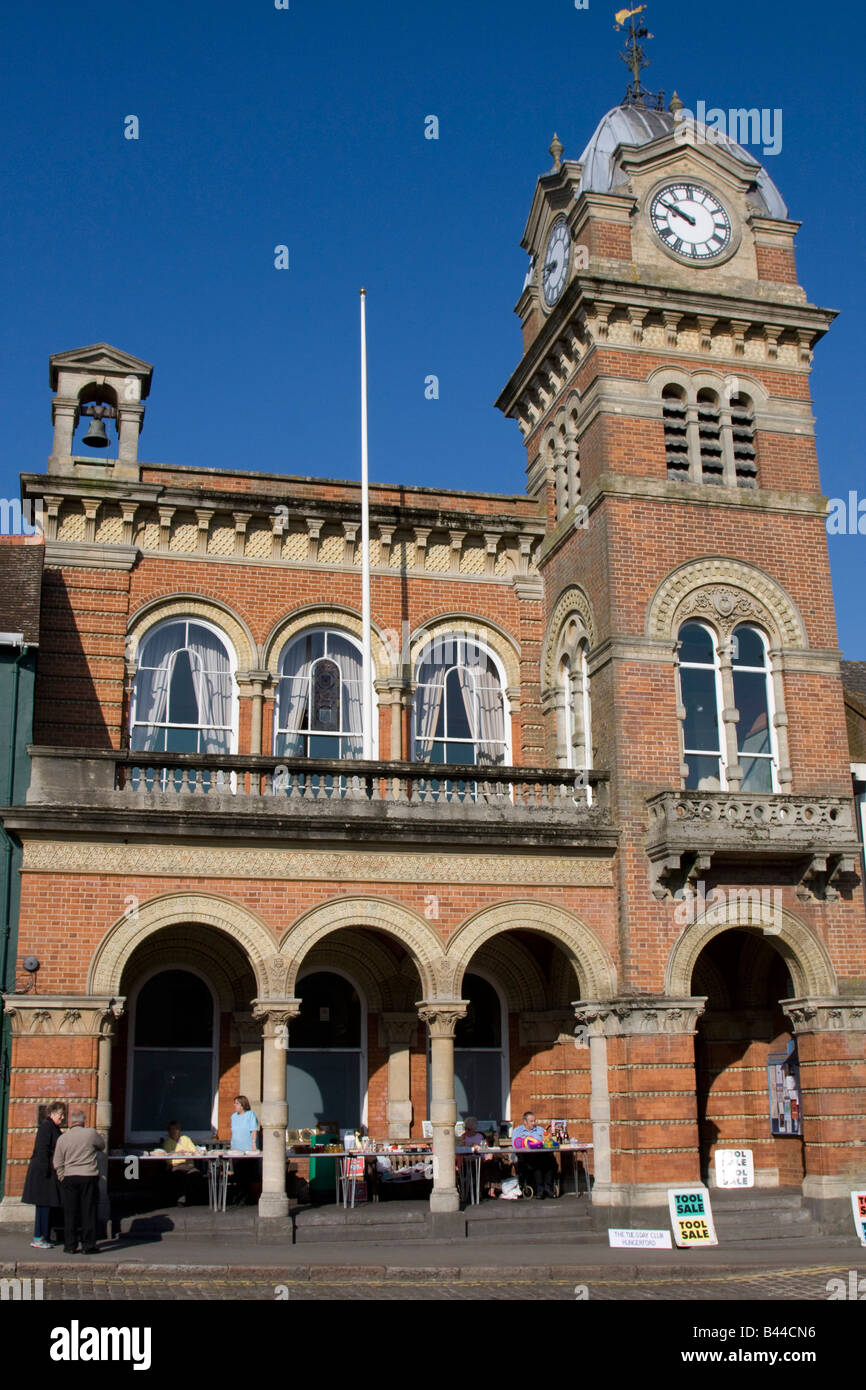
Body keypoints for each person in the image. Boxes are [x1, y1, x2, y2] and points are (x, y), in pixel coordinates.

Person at [53, 1108, 105, 1253]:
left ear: (71, 1121)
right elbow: (102, 1146)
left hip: (69, 1177)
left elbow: (57, 1161)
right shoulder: (90, 1133)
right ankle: (88, 1246)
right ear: (83, 1121)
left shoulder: (63, 1138)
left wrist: (62, 1176)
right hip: (88, 1176)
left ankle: (70, 1245)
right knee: (88, 1212)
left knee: (70, 1212)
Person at [22, 1103, 65, 1248]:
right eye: (60, 1114)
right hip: (43, 1174)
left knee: (45, 1206)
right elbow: (42, 1150)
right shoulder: (47, 1127)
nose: (63, 1117)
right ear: (52, 1114)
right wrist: (46, 1172)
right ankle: (39, 1238)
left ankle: (43, 1236)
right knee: (43, 1206)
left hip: (45, 1172)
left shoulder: (51, 1127)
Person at [512, 1111, 557, 1199]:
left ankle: (548, 1188)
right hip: (526, 1156)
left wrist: (549, 1140)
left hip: (542, 1155)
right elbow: (515, 1145)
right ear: (525, 1121)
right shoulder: (517, 1131)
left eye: (534, 1121)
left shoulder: (540, 1129)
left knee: (551, 1161)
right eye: (531, 1121)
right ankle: (540, 1190)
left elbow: (549, 1139)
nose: (534, 1123)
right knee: (537, 1162)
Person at [162, 1120, 204, 1206]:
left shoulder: (186, 1139)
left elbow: (194, 1151)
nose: (174, 1131)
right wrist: (179, 1155)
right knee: (179, 1175)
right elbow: (168, 1159)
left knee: (196, 1174)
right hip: (176, 1166)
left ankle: (196, 1199)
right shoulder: (167, 1143)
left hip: (189, 1165)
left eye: (176, 1129)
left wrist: (186, 1152)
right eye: (172, 1129)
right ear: (169, 1131)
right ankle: (181, 1200)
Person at [229, 1095, 260, 1205]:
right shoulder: (233, 1116)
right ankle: (239, 1198)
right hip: (236, 1149)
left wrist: (253, 1143)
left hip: (247, 1149)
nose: (235, 1105)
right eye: (235, 1103)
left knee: (248, 1174)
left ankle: (247, 1198)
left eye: (237, 1103)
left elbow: (254, 1130)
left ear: (243, 1105)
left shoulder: (250, 1114)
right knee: (238, 1174)